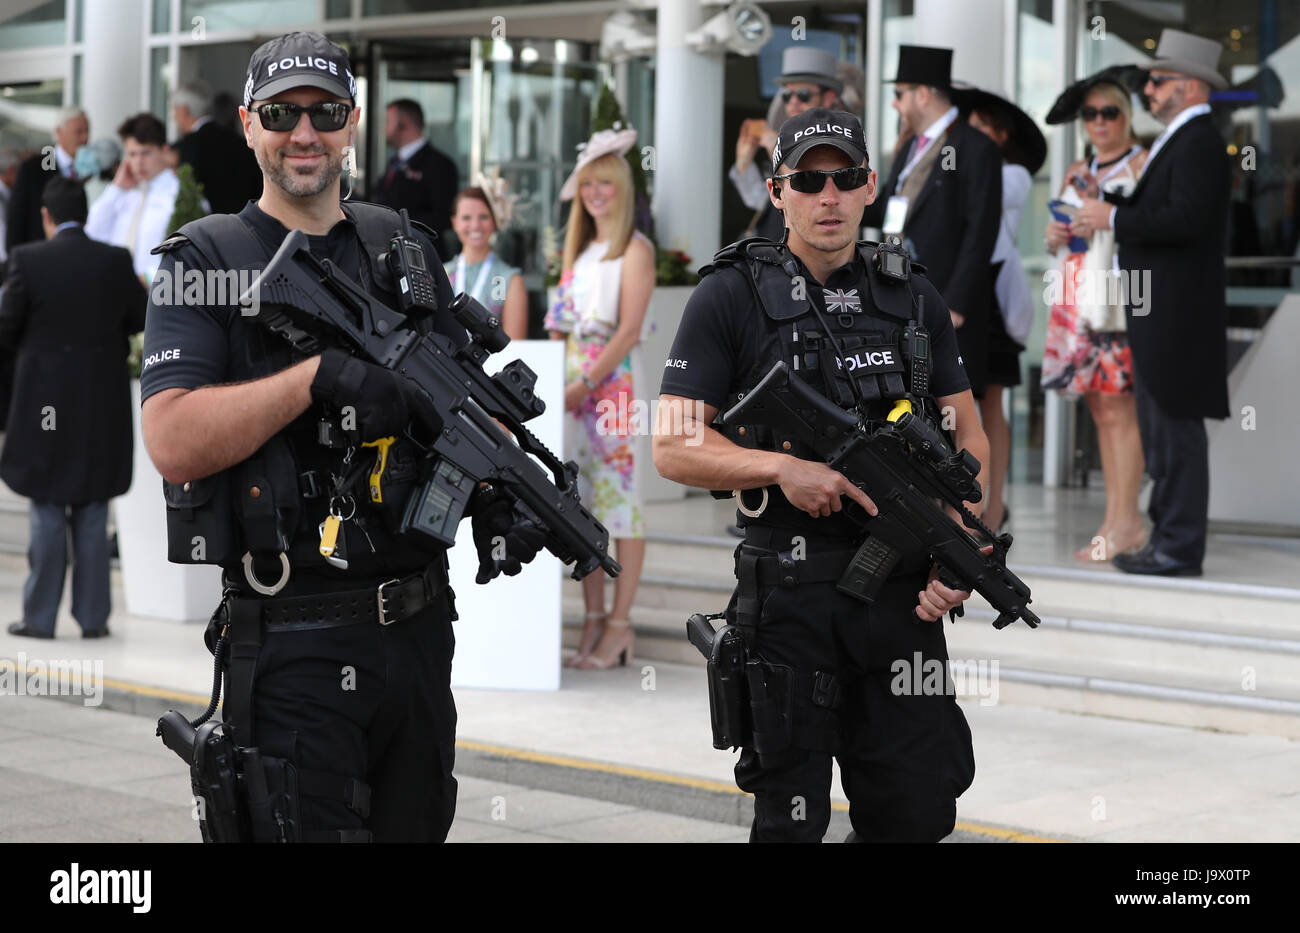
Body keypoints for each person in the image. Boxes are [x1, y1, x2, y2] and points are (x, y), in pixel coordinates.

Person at [139, 31, 543, 842]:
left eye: (324, 112)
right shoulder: (204, 260)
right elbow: (172, 438)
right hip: (295, 642)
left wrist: (497, 491)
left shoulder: (404, 246)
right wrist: (313, 380)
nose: (304, 133)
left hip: (421, 633)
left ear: (353, 122)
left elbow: (450, 399)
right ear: (250, 125)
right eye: (282, 113)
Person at [654, 108, 988, 842]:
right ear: (778, 192)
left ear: (871, 187)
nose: (827, 196)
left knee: (916, 814)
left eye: (845, 178)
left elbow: (971, 436)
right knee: (790, 821)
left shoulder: (914, 295)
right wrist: (781, 467)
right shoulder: (730, 293)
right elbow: (673, 446)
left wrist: (956, 546)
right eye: (808, 180)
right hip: (788, 607)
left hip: (903, 604)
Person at [1072, 29, 1230, 577]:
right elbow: (1167, 211)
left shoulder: (1199, 140)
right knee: (1162, 429)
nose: (1150, 90)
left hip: (1177, 312)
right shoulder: (1183, 138)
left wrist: (1111, 216)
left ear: (1188, 87)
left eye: (1158, 81)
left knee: (1175, 428)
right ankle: (1167, 539)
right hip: (1161, 308)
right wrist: (1109, 203)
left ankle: (1178, 547)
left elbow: (1184, 220)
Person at [0, 177, 145, 640]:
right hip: (98, 407)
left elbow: (7, 326)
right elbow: (142, 318)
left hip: (42, 405)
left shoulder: (27, 260)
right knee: (92, 508)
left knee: (45, 504)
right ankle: (94, 619)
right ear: (83, 214)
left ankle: (39, 619)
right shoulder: (115, 261)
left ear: (46, 216)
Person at [545, 127, 653, 670]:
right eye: (588, 183)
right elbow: (560, 326)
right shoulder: (581, 251)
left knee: (620, 507)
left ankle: (619, 624)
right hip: (571, 379)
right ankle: (590, 619)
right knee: (579, 506)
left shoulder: (634, 251)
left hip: (608, 387)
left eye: (605, 184)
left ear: (622, 188)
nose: (594, 193)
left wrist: (581, 387)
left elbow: (629, 331)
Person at [1042, 75, 1148, 560]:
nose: (1099, 122)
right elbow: (1058, 236)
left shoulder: (1143, 162)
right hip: (1077, 295)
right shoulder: (1076, 169)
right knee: (1100, 411)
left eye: (1110, 112)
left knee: (1120, 409)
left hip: (1118, 297)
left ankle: (1126, 521)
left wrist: (1104, 216)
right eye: (1090, 114)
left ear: (1128, 115)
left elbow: (1148, 228)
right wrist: (1055, 233)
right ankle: (1116, 519)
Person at [863, 45, 1002, 398]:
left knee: (950, 409)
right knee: (902, 401)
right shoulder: (910, 146)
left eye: (899, 94)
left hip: (945, 300)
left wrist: (956, 302)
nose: (895, 103)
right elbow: (887, 208)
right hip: (896, 292)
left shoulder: (975, 147)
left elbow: (981, 230)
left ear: (922, 94)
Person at [956, 85, 1046, 533]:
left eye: (981, 126)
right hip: (968, 284)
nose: (970, 133)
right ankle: (967, 506)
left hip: (993, 291)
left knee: (991, 402)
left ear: (1001, 135)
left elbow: (972, 196)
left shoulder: (1013, 174)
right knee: (962, 401)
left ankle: (992, 508)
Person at [731, 46, 846, 242]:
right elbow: (763, 202)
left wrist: (778, 155)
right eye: (786, 95)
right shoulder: (786, 137)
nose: (793, 102)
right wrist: (744, 164)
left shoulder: (841, 142)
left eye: (803, 94)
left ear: (828, 98)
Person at [84, 113, 180, 282]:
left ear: (164, 151)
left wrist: (149, 278)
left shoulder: (178, 194)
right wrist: (116, 188)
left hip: (157, 294)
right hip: (116, 292)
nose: (138, 162)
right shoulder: (123, 194)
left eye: (146, 153)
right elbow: (91, 233)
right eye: (132, 154)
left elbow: (188, 255)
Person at [371, 98, 458, 261]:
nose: (384, 128)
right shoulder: (395, 161)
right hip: (390, 254)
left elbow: (442, 217)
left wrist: (397, 223)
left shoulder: (439, 164)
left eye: (388, 122)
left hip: (422, 256)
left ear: (402, 124)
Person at [444, 186, 527, 340]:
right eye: (466, 218)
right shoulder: (442, 274)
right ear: (455, 223)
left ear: (494, 222)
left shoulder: (506, 279)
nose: (475, 225)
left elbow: (514, 346)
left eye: (483, 217)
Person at [5, 107, 89, 256]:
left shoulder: (91, 167)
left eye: (87, 131)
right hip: (40, 257)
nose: (85, 138)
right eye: (79, 132)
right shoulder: (36, 167)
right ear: (59, 133)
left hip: (80, 254)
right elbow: (16, 221)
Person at [172, 80, 262, 214]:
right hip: (247, 221)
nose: (173, 117)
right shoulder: (239, 140)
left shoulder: (188, 145)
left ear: (184, 111)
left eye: (174, 110)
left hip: (208, 227)